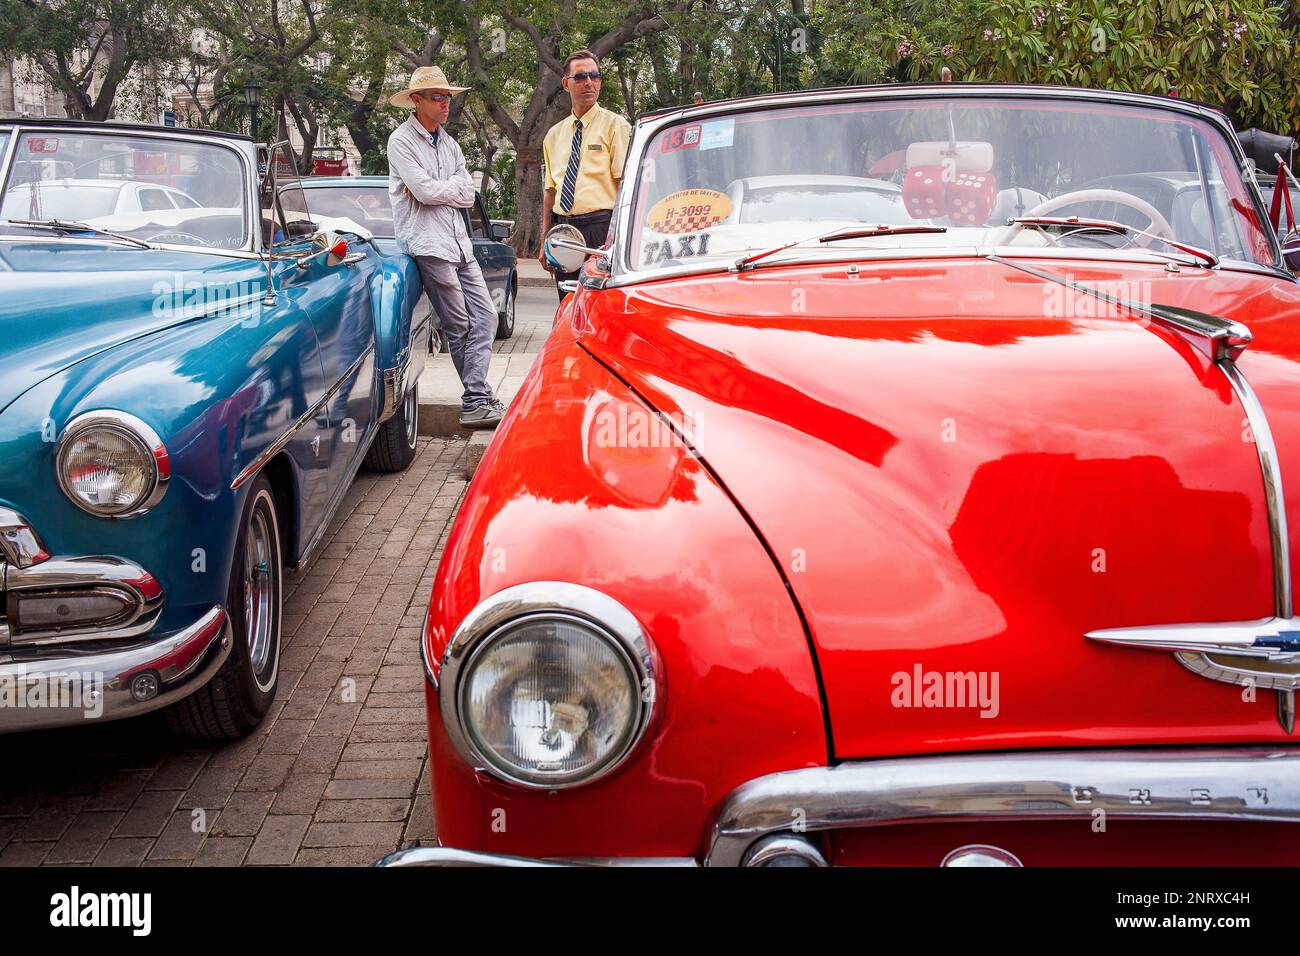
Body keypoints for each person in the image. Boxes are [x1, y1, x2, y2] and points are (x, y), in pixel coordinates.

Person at [387, 65, 504, 430]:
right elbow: (421, 191)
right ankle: (476, 400)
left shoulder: (450, 144)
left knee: (486, 317)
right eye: (437, 97)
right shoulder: (401, 141)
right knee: (459, 325)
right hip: (429, 245)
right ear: (416, 101)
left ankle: (477, 397)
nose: (445, 103)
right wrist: (445, 188)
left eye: (447, 97)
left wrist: (443, 189)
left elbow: (468, 193)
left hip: (459, 243)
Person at [540, 49, 632, 298]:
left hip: (601, 229)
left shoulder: (616, 126)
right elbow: (550, 192)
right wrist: (544, 241)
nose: (589, 82)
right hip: (563, 232)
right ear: (566, 83)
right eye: (580, 77)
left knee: (598, 305)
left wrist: (618, 241)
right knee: (567, 304)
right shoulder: (554, 135)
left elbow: (627, 188)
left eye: (595, 76)